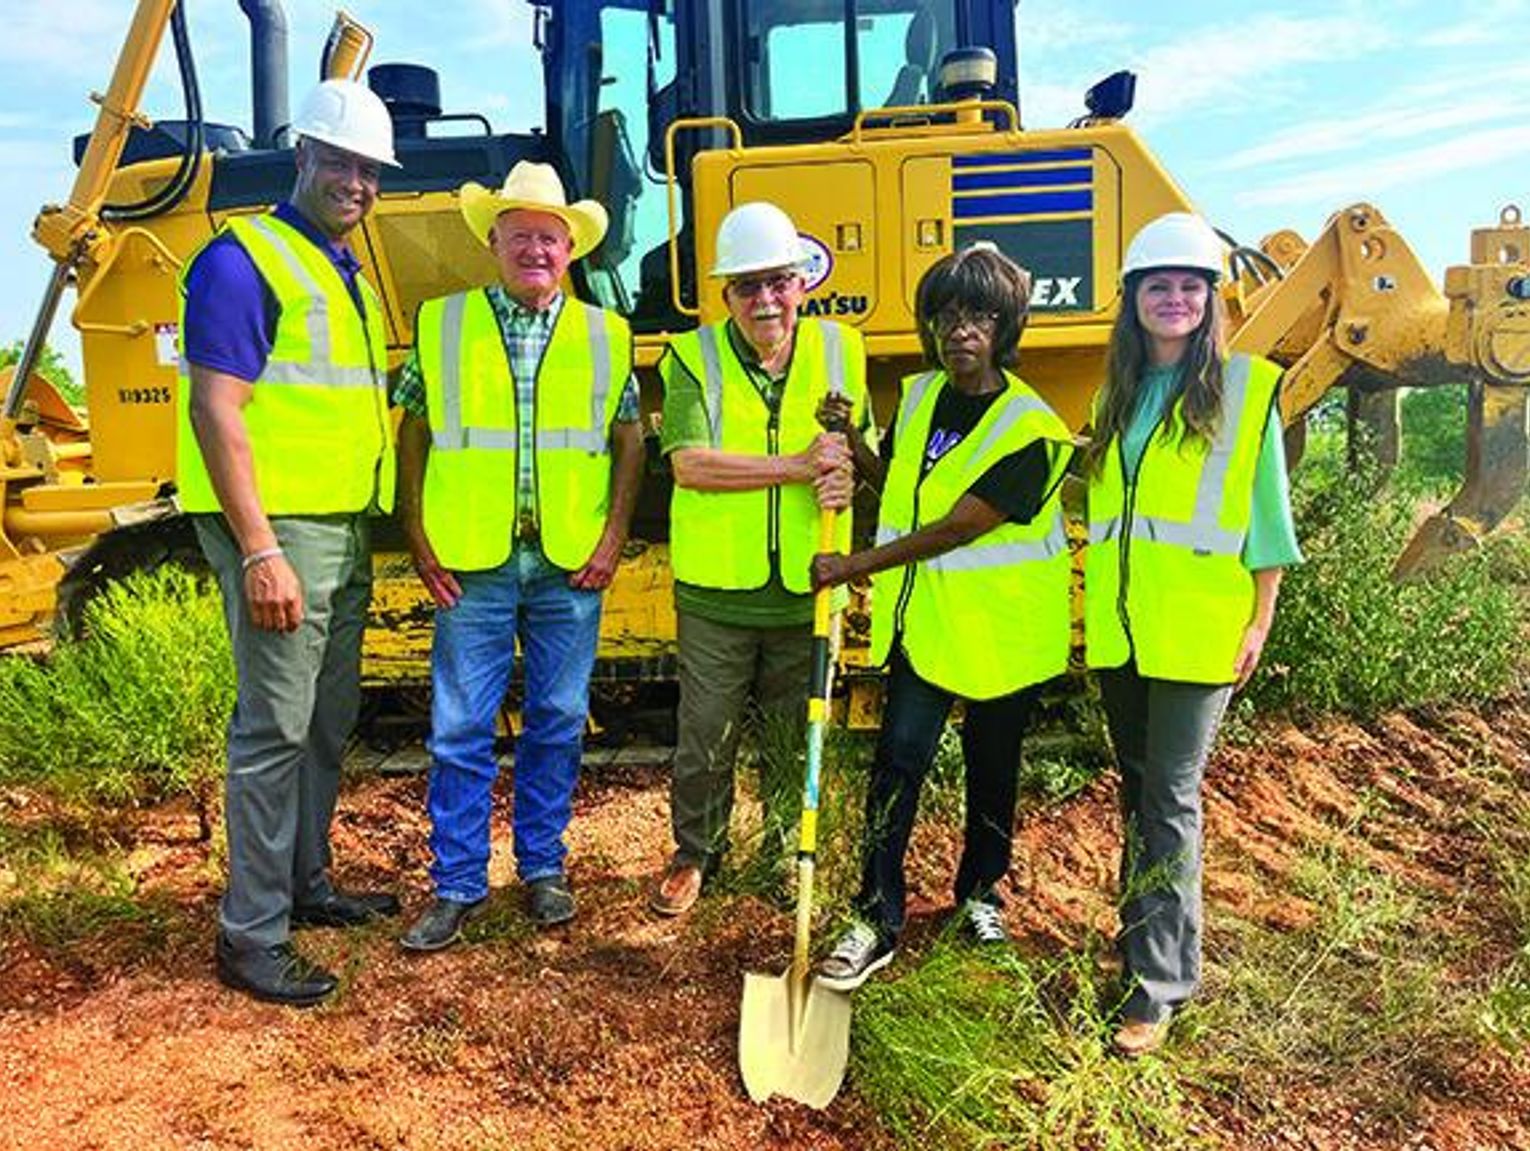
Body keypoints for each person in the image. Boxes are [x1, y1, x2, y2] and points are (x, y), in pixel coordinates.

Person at [177, 79, 402, 1007]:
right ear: (301, 154)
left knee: (322, 722)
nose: (356, 181)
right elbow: (214, 408)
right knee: (273, 729)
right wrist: (261, 548)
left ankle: (305, 884)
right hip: (282, 534)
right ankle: (253, 933)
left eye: (370, 169)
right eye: (341, 160)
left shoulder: (337, 265)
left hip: (337, 527)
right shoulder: (243, 262)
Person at [807, 244, 1074, 990]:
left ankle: (979, 896)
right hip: (926, 624)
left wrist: (849, 568)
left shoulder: (1033, 429)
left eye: (981, 315)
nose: (962, 330)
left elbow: (959, 525)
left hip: (1004, 632)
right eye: (949, 314)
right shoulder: (921, 397)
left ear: (1006, 326)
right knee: (898, 763)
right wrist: (855, 440)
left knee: (994, 771)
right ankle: (875, 916)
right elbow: (903, 489)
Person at [395, 162, 643, 951]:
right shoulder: (443, 323)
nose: (535, 248)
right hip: (471, 559)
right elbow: (412, 428)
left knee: (559, 720)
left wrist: (611, 538)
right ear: (494, 240)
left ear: (570, 249)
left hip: (570, 562)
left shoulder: (608, 334)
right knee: (460, 725)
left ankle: (542, 867)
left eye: (550, 236)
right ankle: (458, 884)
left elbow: (630, 438)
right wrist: (417, 532)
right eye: (521, 234)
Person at [1080, 212, 1301, 1057]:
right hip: (1126, 632)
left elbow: (1268, 523)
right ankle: (1148, 941)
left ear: (1211, 300)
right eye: (1157, 286)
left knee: (1170, 798)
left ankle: (1159, 984)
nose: (1174, 298)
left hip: (1201, 632)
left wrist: (1259, 621)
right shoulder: (1116, 394)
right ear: (1134, 300)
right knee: (1138, 795)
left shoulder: (1245, 390)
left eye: (1190, 286)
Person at [647, 202, 873, 917]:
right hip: (718, 588)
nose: (765, 300)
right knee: (705, 735)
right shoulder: (692, 356)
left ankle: (784, 851)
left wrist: (845, 472)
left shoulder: (843, 350)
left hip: (808, 582)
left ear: (802, 283)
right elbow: (689, 464)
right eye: (748, 286)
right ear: (726, 296)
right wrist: (800, 466)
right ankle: (696, 852)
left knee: (792, 730)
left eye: (777, 282)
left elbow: (852, 451)